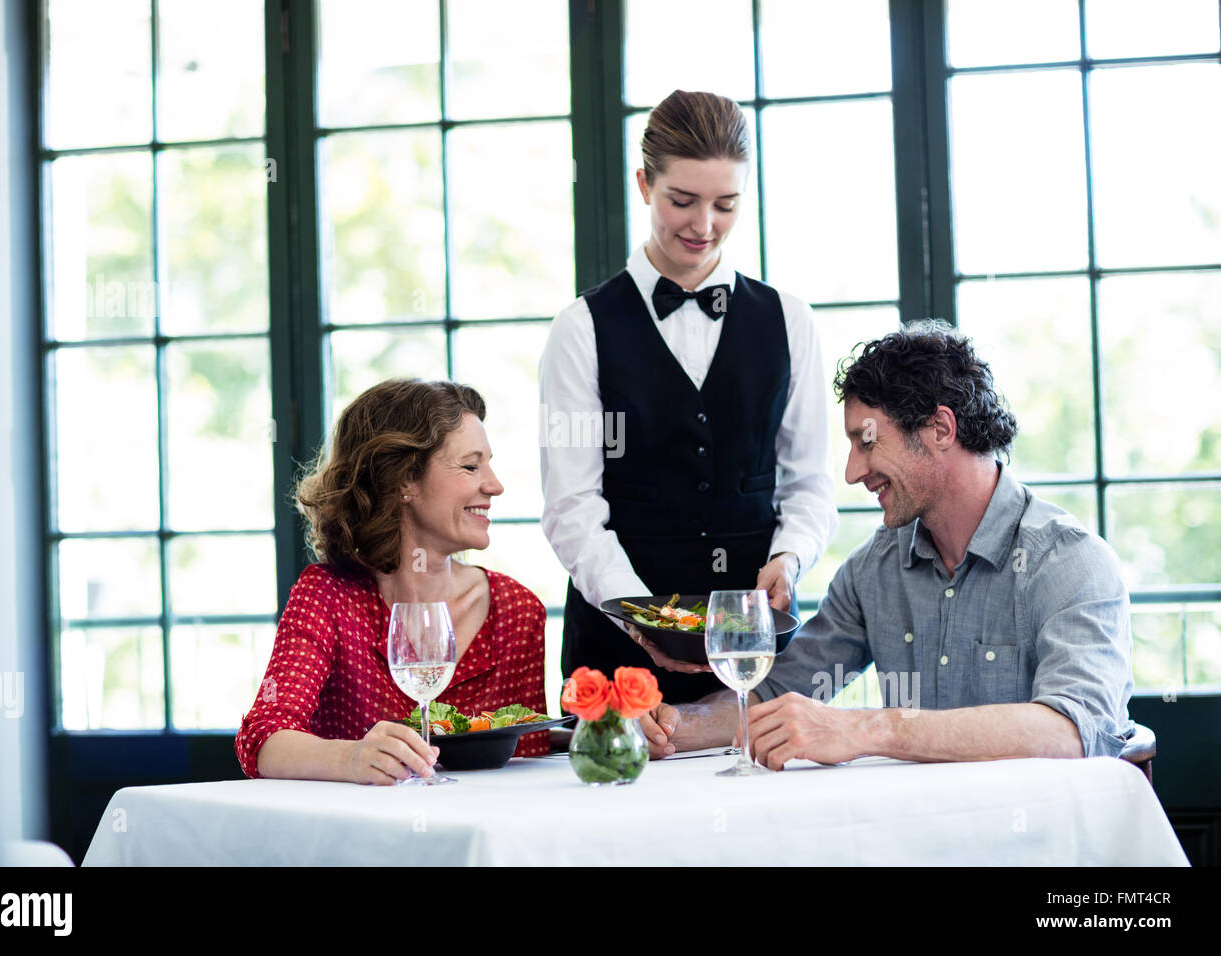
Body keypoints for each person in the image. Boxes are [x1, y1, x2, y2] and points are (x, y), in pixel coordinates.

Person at [645, 322, 1134, 766]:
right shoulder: (873, 571)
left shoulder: (1070, 563)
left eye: (868, 442)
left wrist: (868, 727)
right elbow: (769, 694)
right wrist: (672, 727)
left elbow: (1072, 730)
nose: (852, 472)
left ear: (940, 428)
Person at [539, 89, 837, 711]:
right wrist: (639, 615)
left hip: (752, 646)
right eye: (683, 201)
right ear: (644, 184)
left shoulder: (790, 321)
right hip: (614, 652)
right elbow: (571, 508)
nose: (704, 226)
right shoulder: (580, 328)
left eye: (725, 204)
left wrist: (791, 557)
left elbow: (808, 485)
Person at [235, 379, 548, 785]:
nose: (494, 484)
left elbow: (532, 758)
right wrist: (351, 758)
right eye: (471, 466)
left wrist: (610, 729)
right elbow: (262, 739)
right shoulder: (327, 597)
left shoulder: (517, 610)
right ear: (404, 481)